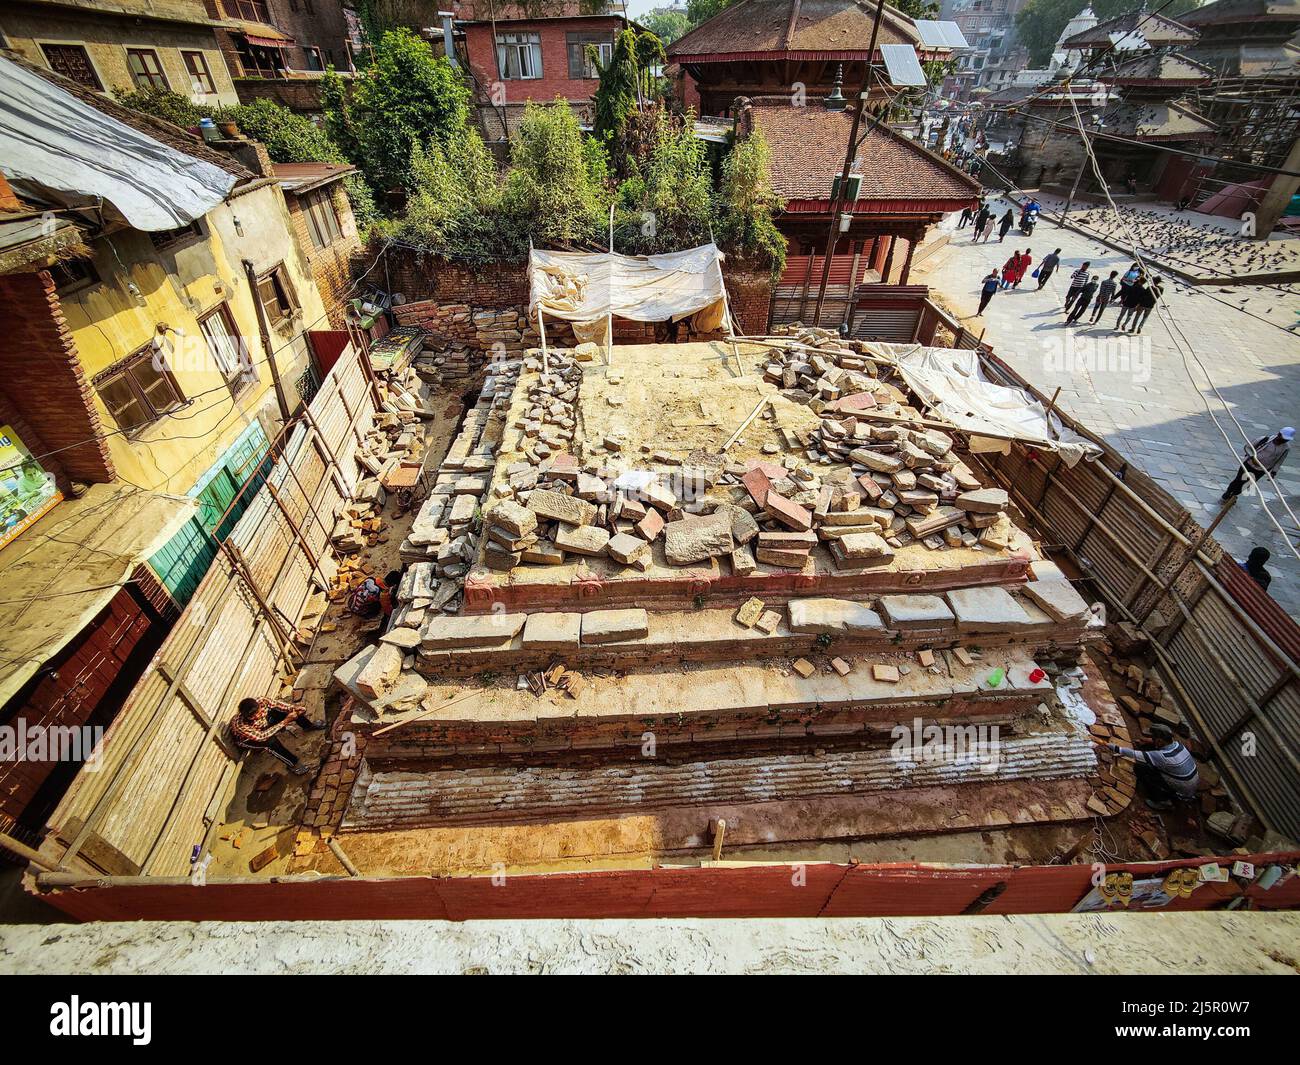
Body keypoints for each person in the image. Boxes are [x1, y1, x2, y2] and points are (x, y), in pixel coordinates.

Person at [1108, 723, 1199, 811]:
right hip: (1189, 783)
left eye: (1153, 737)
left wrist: (1111, 746)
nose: (1151, 738)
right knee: (1148, 749)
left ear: (1159, 740)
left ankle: (1163, 801)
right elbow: (1155, 744)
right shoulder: (1178, 745)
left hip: (1181, 790)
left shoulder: (1163, 756)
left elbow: (1133, 754)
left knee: (1140, 768)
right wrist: (1145, 740)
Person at [229, 696, 326, 775]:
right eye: (255, 716)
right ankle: (293, 764)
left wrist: (294, 709)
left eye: (259, 711)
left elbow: (278, 705)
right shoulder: (241, 726)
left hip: (264, 725)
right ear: (248, 717)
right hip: (249, 740)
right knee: (271, 742)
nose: (260, 715)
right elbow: (262, 736)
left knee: (289, 712)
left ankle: (308, 726)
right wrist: (285, 721)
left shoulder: (261, 701)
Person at [1222, 427, 1294, 499]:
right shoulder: (1264, 439)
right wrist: (1253, 458)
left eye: (1287, 439)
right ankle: (1228, 492)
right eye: (1284, 438)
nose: (1285, 440)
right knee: (1239, 480)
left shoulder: (1286, 448)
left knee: (1247, 483)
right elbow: (1248, 447)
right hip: (1249, 464)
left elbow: (1280, 461)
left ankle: (1234, 494)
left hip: (1261, 470)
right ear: (1279, 434)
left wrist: (1273, 472)